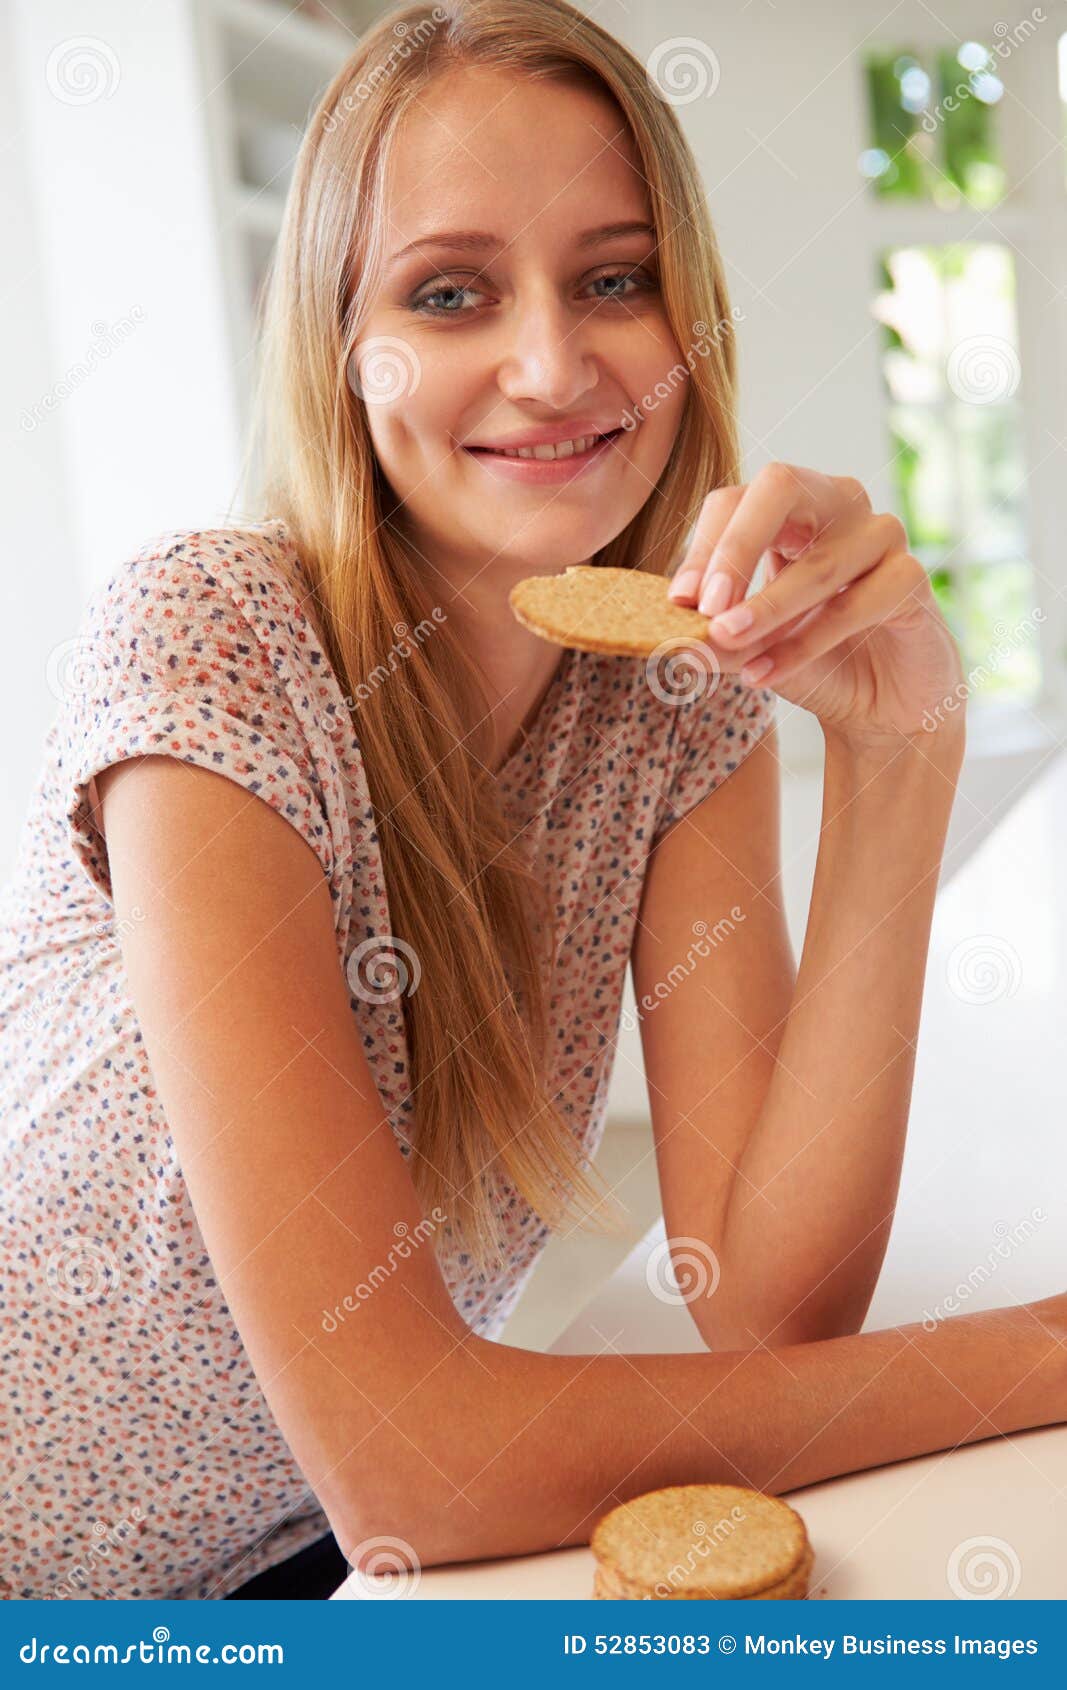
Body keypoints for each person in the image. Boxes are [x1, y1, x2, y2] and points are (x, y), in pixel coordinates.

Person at [1, 0, 1063, 1602]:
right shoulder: (214, 647)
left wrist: (903, 745)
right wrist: (1032, 1359)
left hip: (275, 1562)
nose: (555, 360)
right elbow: (415, 1461)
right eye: (451, 292)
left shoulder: (670, 706)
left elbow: (765, 1297)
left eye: (615, 278)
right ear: (343, 348)